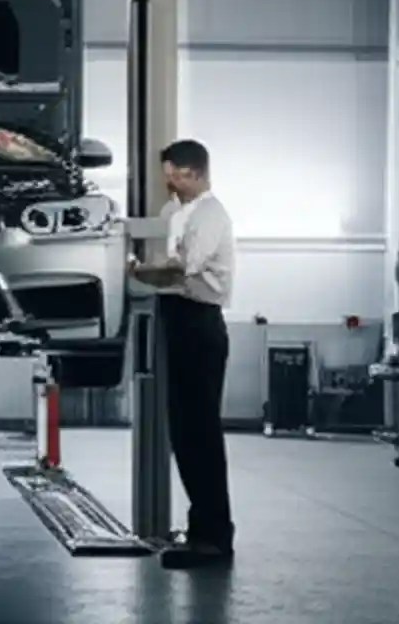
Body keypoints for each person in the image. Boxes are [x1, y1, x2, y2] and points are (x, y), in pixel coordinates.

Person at [132, 139, 236, 569]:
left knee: (201, 434)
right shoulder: (172, 213)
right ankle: (199, 530)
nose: (168, 182)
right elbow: (165, 264)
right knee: (183, 432)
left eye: (174, 174)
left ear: (193, 172)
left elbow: (181, 268)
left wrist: (135, 271)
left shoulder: (212, 215)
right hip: (174, 319)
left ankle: (214, 537)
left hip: (200, 322)